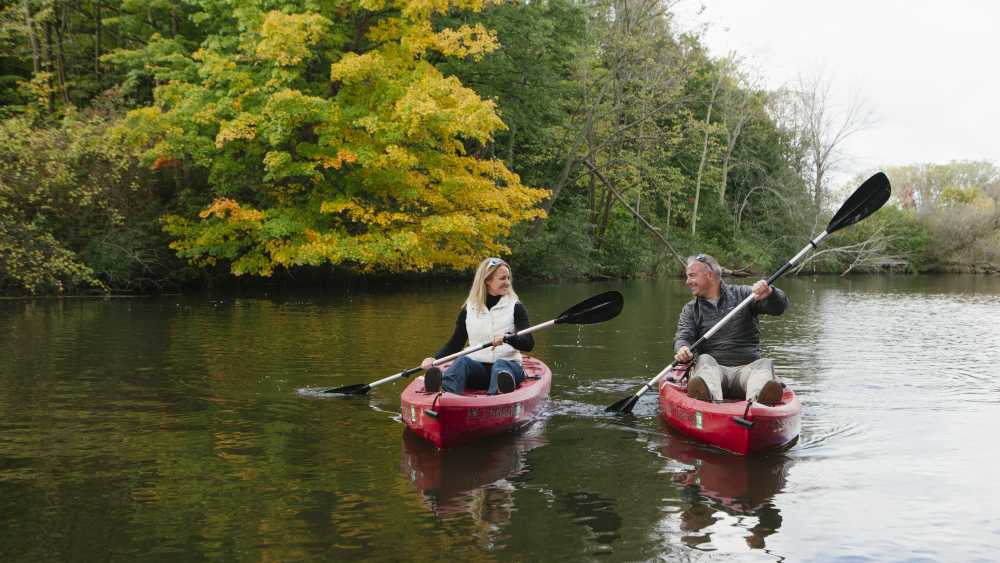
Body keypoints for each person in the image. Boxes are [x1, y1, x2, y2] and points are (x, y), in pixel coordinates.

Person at [673, 253, 787, 405]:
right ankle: (710, 401)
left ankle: (758, 403)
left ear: (710, 275)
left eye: (692, 276)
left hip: (747, 370)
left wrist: (771, 294)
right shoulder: (690, 309)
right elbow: (684, 335)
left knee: (764, 363)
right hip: (714, 371)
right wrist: (683, 348)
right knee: (704, 359)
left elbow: (778, 308)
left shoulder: (746, 295)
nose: (688, 282)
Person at [420, 257, 534, 395]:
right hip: (478, 370)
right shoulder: (469, 309)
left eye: (508, 278)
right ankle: (444, 393)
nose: (508, 282)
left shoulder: (516, 307)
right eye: (503, 278)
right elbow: (455, 344)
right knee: (462, 361)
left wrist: (508, 338)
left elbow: (529, 344)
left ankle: (499, 391)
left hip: (509, 367)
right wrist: (435, 359)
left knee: (500, 366)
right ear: (487, 281)